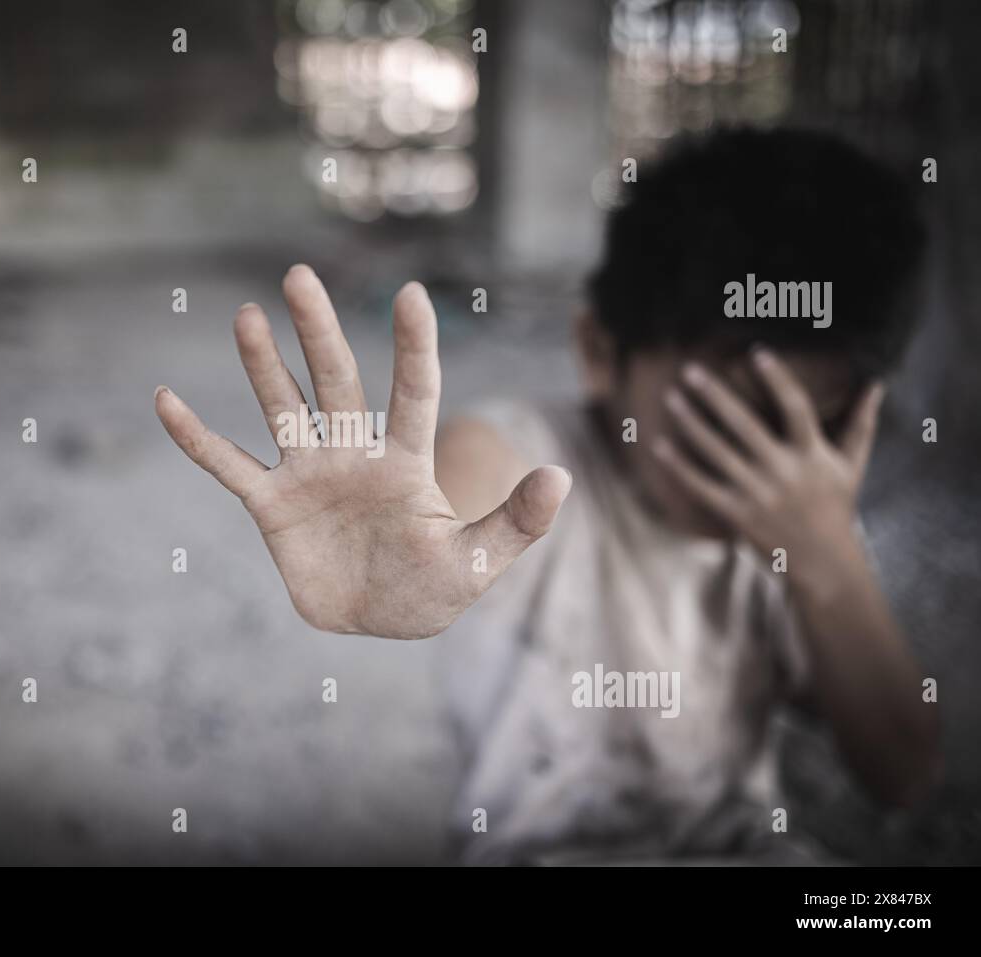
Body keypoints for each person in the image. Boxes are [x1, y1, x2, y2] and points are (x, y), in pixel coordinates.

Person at [153, 127, 939, 864]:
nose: (766, 470)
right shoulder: (525, 458)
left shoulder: (804, 520)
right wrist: (388, 562)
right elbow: (459, 496)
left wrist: (824, 554)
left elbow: (900, 771)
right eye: (722, 419)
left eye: (815, 426)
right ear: (602, 351)